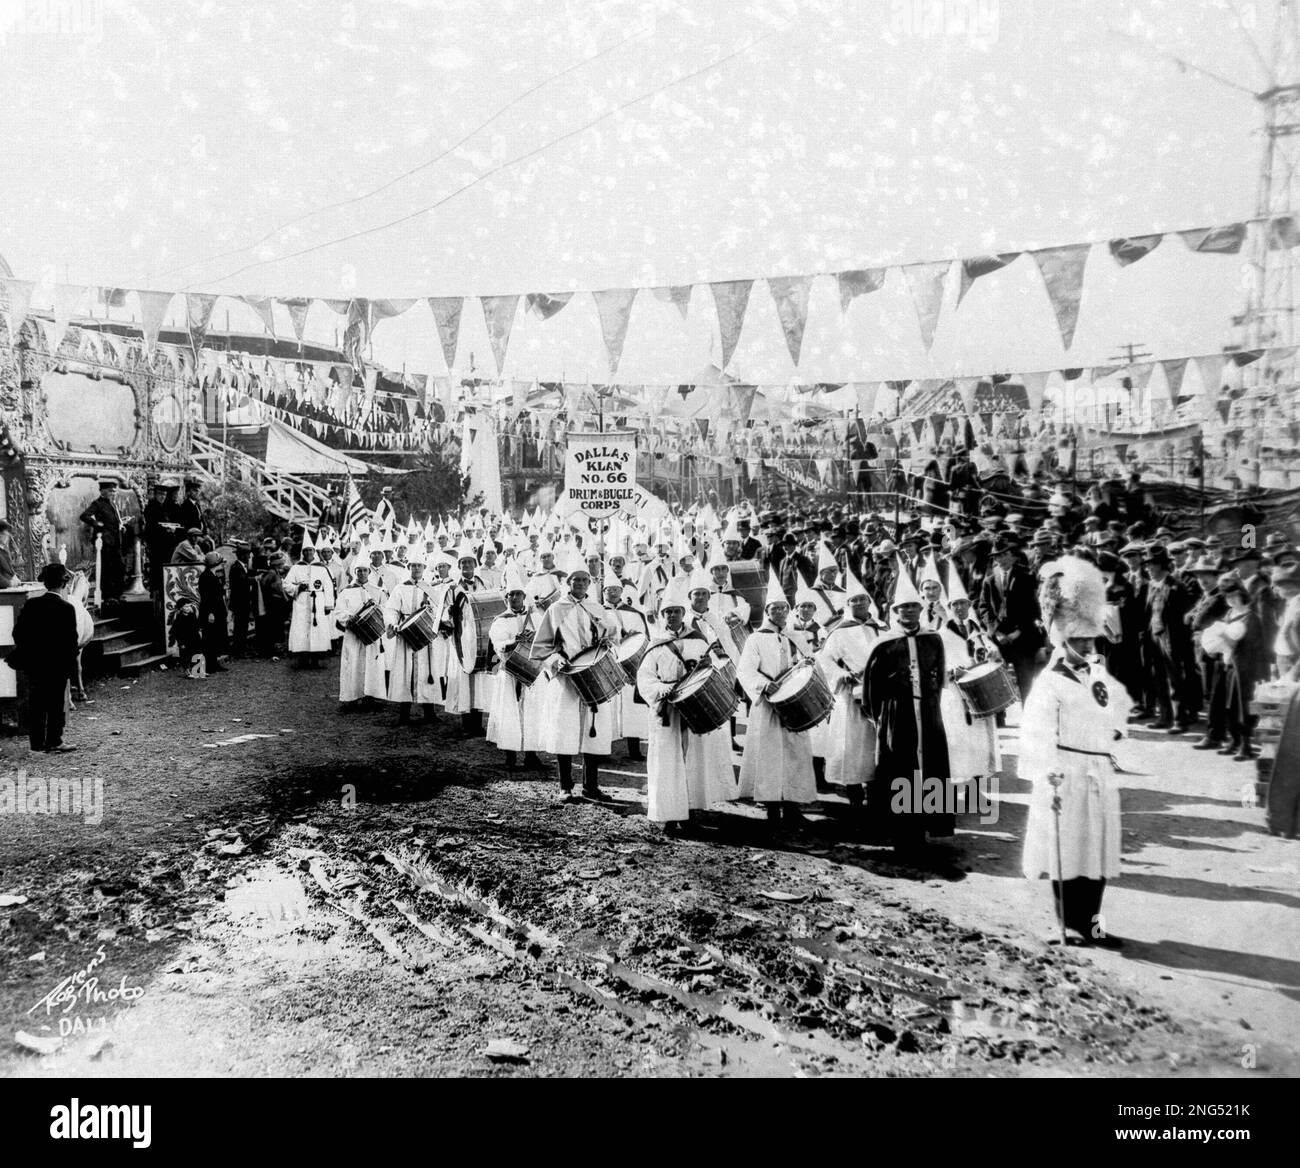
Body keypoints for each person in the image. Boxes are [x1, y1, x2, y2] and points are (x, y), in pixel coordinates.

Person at [1021, 556, 1129, 948]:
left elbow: (1115, 706)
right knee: (1066, 845)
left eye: (1090, 641)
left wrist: (1116, 726)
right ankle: (1066, 923)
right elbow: (1035, 731)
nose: (1087, 648)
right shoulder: (1049, 683)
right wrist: (1045, 767)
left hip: (1097, 769)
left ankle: (1093, 923)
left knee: (1096, 848)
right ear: (1063, 643)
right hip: (1064, 768)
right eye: (1078, 642)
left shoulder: (1098, 674)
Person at [861, 567, 953, 850]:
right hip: (897, 712)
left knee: (931, 765)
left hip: (927, 710)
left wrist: (934, 704)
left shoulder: (932, 639)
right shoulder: (885, 643)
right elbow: (871, 685)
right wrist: (880, 717)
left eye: (914, 606)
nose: (910, 612)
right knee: (900, 767)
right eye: (904, 607)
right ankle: (902, 830)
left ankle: (928, 824)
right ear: (895, 611)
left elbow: (940, 674)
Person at [636, 577, 736, 836]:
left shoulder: (698, 641)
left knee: (692, 760)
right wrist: (660, 689)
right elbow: (644, 678)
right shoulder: (655, 644)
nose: (672, 616)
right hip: (666, 710)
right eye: (667, 612)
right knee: (667, 761)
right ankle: (669, 815)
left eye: (676, 611)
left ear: (683, 613)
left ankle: (690, 812)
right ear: (662, 615)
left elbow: (710, 669)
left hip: (694, 709)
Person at [530, 555, 621, 801]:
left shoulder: (597, 608)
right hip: (567, 677)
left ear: (590, 583)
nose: (580, 583)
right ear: (567, 582)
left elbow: (611, 637)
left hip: (594, 676)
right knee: (565, 729)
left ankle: (591, 786)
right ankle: (565, 786)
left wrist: (607, 642)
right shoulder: (555, 610)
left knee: (595, 730)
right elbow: (540, 649)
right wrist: (554, 660)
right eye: (575, 579)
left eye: (584, 579)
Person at [737, 570, 818, 824]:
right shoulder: (756, 639)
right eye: (775, 609)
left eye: (784, 608)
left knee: (795, 753)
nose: (780, 612)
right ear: (768, 612)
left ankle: (793, 806)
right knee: (770, 754)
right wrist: (764, 685)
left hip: (795, 705)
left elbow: (811, 666)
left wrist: (808, 665)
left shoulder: (797, 637)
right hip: (770, 706)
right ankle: (772, 806)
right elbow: (745, 670)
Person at [814, 569, 879, 817]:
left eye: (863, 599)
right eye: (853, 600)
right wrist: (841, 675)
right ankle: (854, 793)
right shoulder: (839, 632)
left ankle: (875, 792)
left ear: (869, 602)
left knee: (875, 743)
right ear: (847, 604)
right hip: (851, 694)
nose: (859, 603)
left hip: (878, 695)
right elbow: (826, 660)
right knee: (852, 743)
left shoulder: (881, 628)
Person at [10, 563, 80, 753]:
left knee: (37, 703)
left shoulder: (32, 604)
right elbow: (71, 642)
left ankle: (36, 744)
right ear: (64, 584)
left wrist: (30, 652)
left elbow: (18, 633)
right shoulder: (66, 609)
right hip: (57, 664)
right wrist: (71, 668)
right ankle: (55, 740)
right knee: (56, 703)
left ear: (45, 582)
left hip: (35, 664)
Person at [486, 563, 545, 769]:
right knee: (508, 712)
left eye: (518, 594)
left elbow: (546, 640)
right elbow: (498, 645)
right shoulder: (500, 620)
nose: (514, 598)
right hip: (510, 671)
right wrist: (515, 641)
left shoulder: (536, 617)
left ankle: (531, 755)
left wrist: (532, 638)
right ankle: (510, 756)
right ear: (506, 598)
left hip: (531, 671)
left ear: (524, 596)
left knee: (532, 712)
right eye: (511, 595)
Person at [383, 550, 441, 725]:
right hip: (406, 633)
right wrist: (393, 623)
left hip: (424, 634)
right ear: (408, 568)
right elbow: (391, 609)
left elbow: (439, 609)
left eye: (419, 566)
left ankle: (429, 712)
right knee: (404, 670)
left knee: (427, 671)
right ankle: (404, 713)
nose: (416, 568)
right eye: (413, 566)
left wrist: (433, 616)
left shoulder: (430, 588)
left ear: (424, 568)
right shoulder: (400, 588)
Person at [333, 562, 387, 712]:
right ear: (354, 572)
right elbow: (339, 611)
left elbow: (386, 608)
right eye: (359, 571)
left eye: (364, 570)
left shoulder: (377, 591)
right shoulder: (346, 591)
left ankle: (369, 697)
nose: (362, 573)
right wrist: (350, 619)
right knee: (352, 664)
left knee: (372, 665)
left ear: (369, 572)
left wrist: (377, 613)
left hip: (372, 634)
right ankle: (351, 698)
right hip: (354, 634)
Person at [285, 530, 336, 668]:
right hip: (301, 601)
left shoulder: (321, 568)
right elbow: (286, 584)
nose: (308, 553)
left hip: (318, 601)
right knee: (301, 629)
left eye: (310, 551)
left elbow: (328, 587)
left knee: (317, 629)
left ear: (314, 552)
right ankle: (303, 658)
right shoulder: (296, 568)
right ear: (303, 552)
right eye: (306, 551)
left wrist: (328, 605)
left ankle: (316, 659)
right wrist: (297, 588)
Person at [79, 478, 126, 601]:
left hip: (115, 540)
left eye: (114, 491)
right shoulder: (97, 504)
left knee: (118, 567)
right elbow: (84, 516)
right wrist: (97, 524)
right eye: (111, 491)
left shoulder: (113, 504)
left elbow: (114, 520)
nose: (113, 493)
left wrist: (120, 525)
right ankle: (108, 596)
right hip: (104, 542)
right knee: (107, 568)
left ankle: (117, 594)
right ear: (103, 491)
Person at [197, 551, 229, 674]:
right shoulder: (205, 577)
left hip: (217, 610)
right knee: (209, 639)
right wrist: (210, 612)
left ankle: (214, 663)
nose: (222, 565)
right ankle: (209, 665)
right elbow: (206, 597)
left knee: (215, 638)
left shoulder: (213, 575)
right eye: (221, 563)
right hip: (211, 611)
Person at [255, 553, 292, 657]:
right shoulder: (272, 574)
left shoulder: (272, 573)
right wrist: (284, 598)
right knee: (275, 626)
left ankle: (273, 649)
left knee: (275, 626)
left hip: (274, 602)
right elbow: (275, 588)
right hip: (274, 603)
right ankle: (274, 650)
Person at [228, 540, 255, 657]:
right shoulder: (236, 567)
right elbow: (243, 581)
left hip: (242, 601)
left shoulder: (242, 566)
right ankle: (239, 650)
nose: (249, 556)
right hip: (239, 602)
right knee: (240, 626)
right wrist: (255, 579)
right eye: (248, 554)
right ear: (242, 555)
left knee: (242, 626)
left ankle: (240, 649)